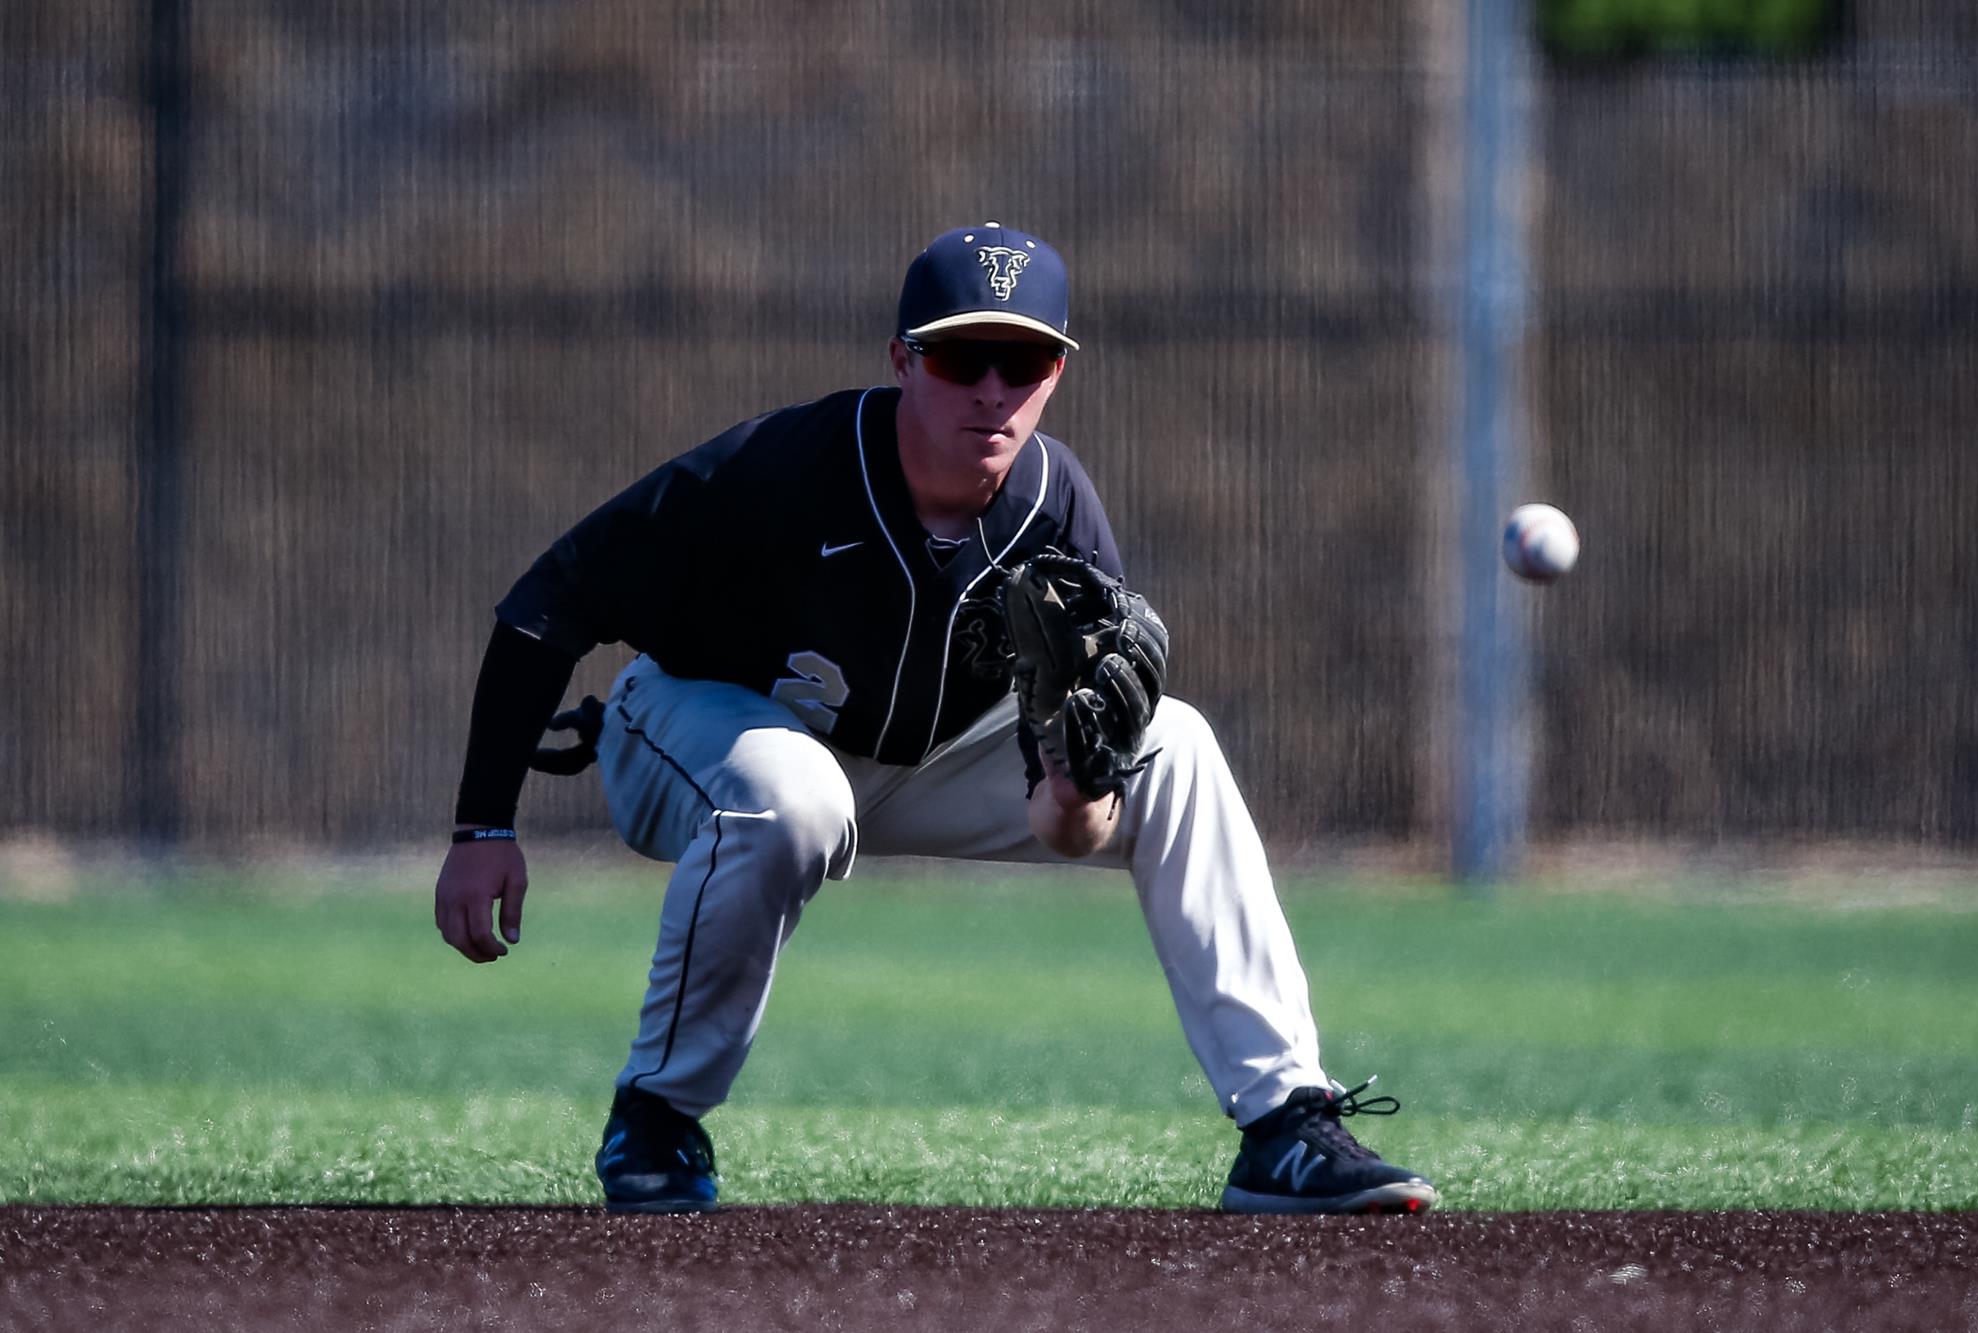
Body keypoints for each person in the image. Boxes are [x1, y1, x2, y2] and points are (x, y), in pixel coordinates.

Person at [433, 222, 1438, 1216]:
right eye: (963, 357)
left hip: (925, 764)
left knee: (1178, 749)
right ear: (902, 361)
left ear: (1055, 371)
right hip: (694, 736)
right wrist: (483, 826)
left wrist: (1081, 784)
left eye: (1025, 359)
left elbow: (1067, 823)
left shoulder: (1057, 513)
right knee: (793, 796)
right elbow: (545, 603)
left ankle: (1283, 1124)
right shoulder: (780, 472)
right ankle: (656, 1114)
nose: (993, 390)